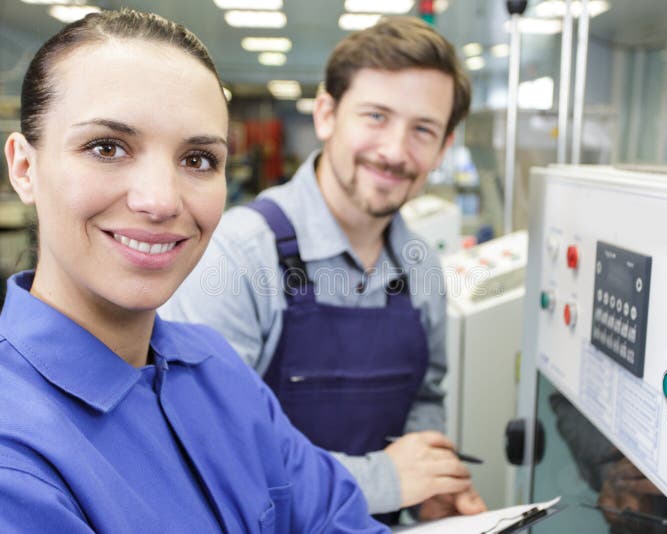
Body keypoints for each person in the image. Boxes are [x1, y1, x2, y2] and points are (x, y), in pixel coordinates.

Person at [0, 9, 387, 533]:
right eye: (106, 148)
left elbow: (339, 518)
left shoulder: (215, 369)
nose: (160, 201)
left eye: (198, 159)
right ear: (24, 168)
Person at [161, 16, 486, 521]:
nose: (395, 151)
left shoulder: (421, 265)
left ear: (443, 149)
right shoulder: (239, 253)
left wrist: (430, 483)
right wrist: (386, 480)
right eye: (376, 116)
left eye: (423, 130)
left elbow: (426, 395)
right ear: (327, 114)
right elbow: (211, 449)